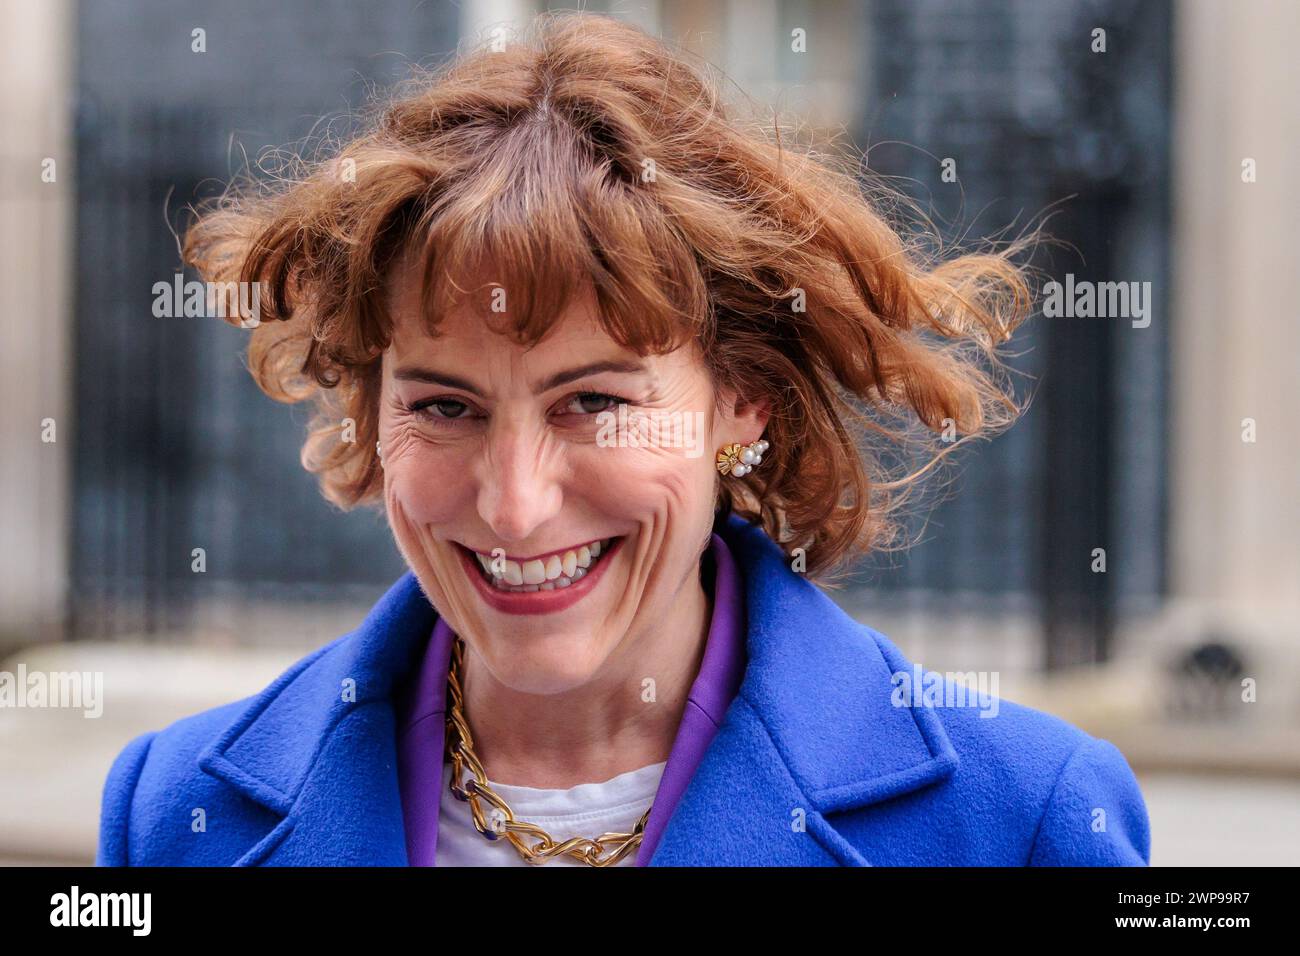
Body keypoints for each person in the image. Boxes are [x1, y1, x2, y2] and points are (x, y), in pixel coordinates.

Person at [96, 12, 1149, 866]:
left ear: (744, 398)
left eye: (592, 402)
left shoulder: (1017, 818)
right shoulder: (175, 812)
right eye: (444, 404)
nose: (514, 504)